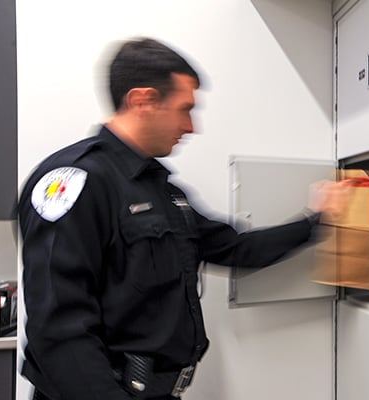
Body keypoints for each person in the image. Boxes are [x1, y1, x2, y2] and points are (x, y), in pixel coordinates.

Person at [18, 37, 342, 400]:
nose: (192, 126)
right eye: (185, 108)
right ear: (143, 100)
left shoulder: (163, 192)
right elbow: (60, 333)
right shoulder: (76, 182)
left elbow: (237, 248)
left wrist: (316, 220)